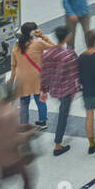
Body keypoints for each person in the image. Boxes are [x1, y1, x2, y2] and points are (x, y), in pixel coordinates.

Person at [39, 25, 79, 157]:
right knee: (63, 115)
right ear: (67, 37)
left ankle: (62, 133)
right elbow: (75, 72)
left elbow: (44, 73)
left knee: (63, 112)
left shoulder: (48, 54)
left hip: (54, 89)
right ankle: (58, 144)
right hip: (67, 89)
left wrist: (43, 90)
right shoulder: (69, 54)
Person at [10, 22, 54, 128]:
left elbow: (13, 65)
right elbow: (53, 47)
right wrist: (42, 36)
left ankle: (24, 123)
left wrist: (12, 78)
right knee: (40, 101)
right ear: (33, 32)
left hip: (21, 79)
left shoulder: (16, 46)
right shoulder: (38, 44)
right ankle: (42, 121)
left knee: (24, 103)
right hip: (36, 78)